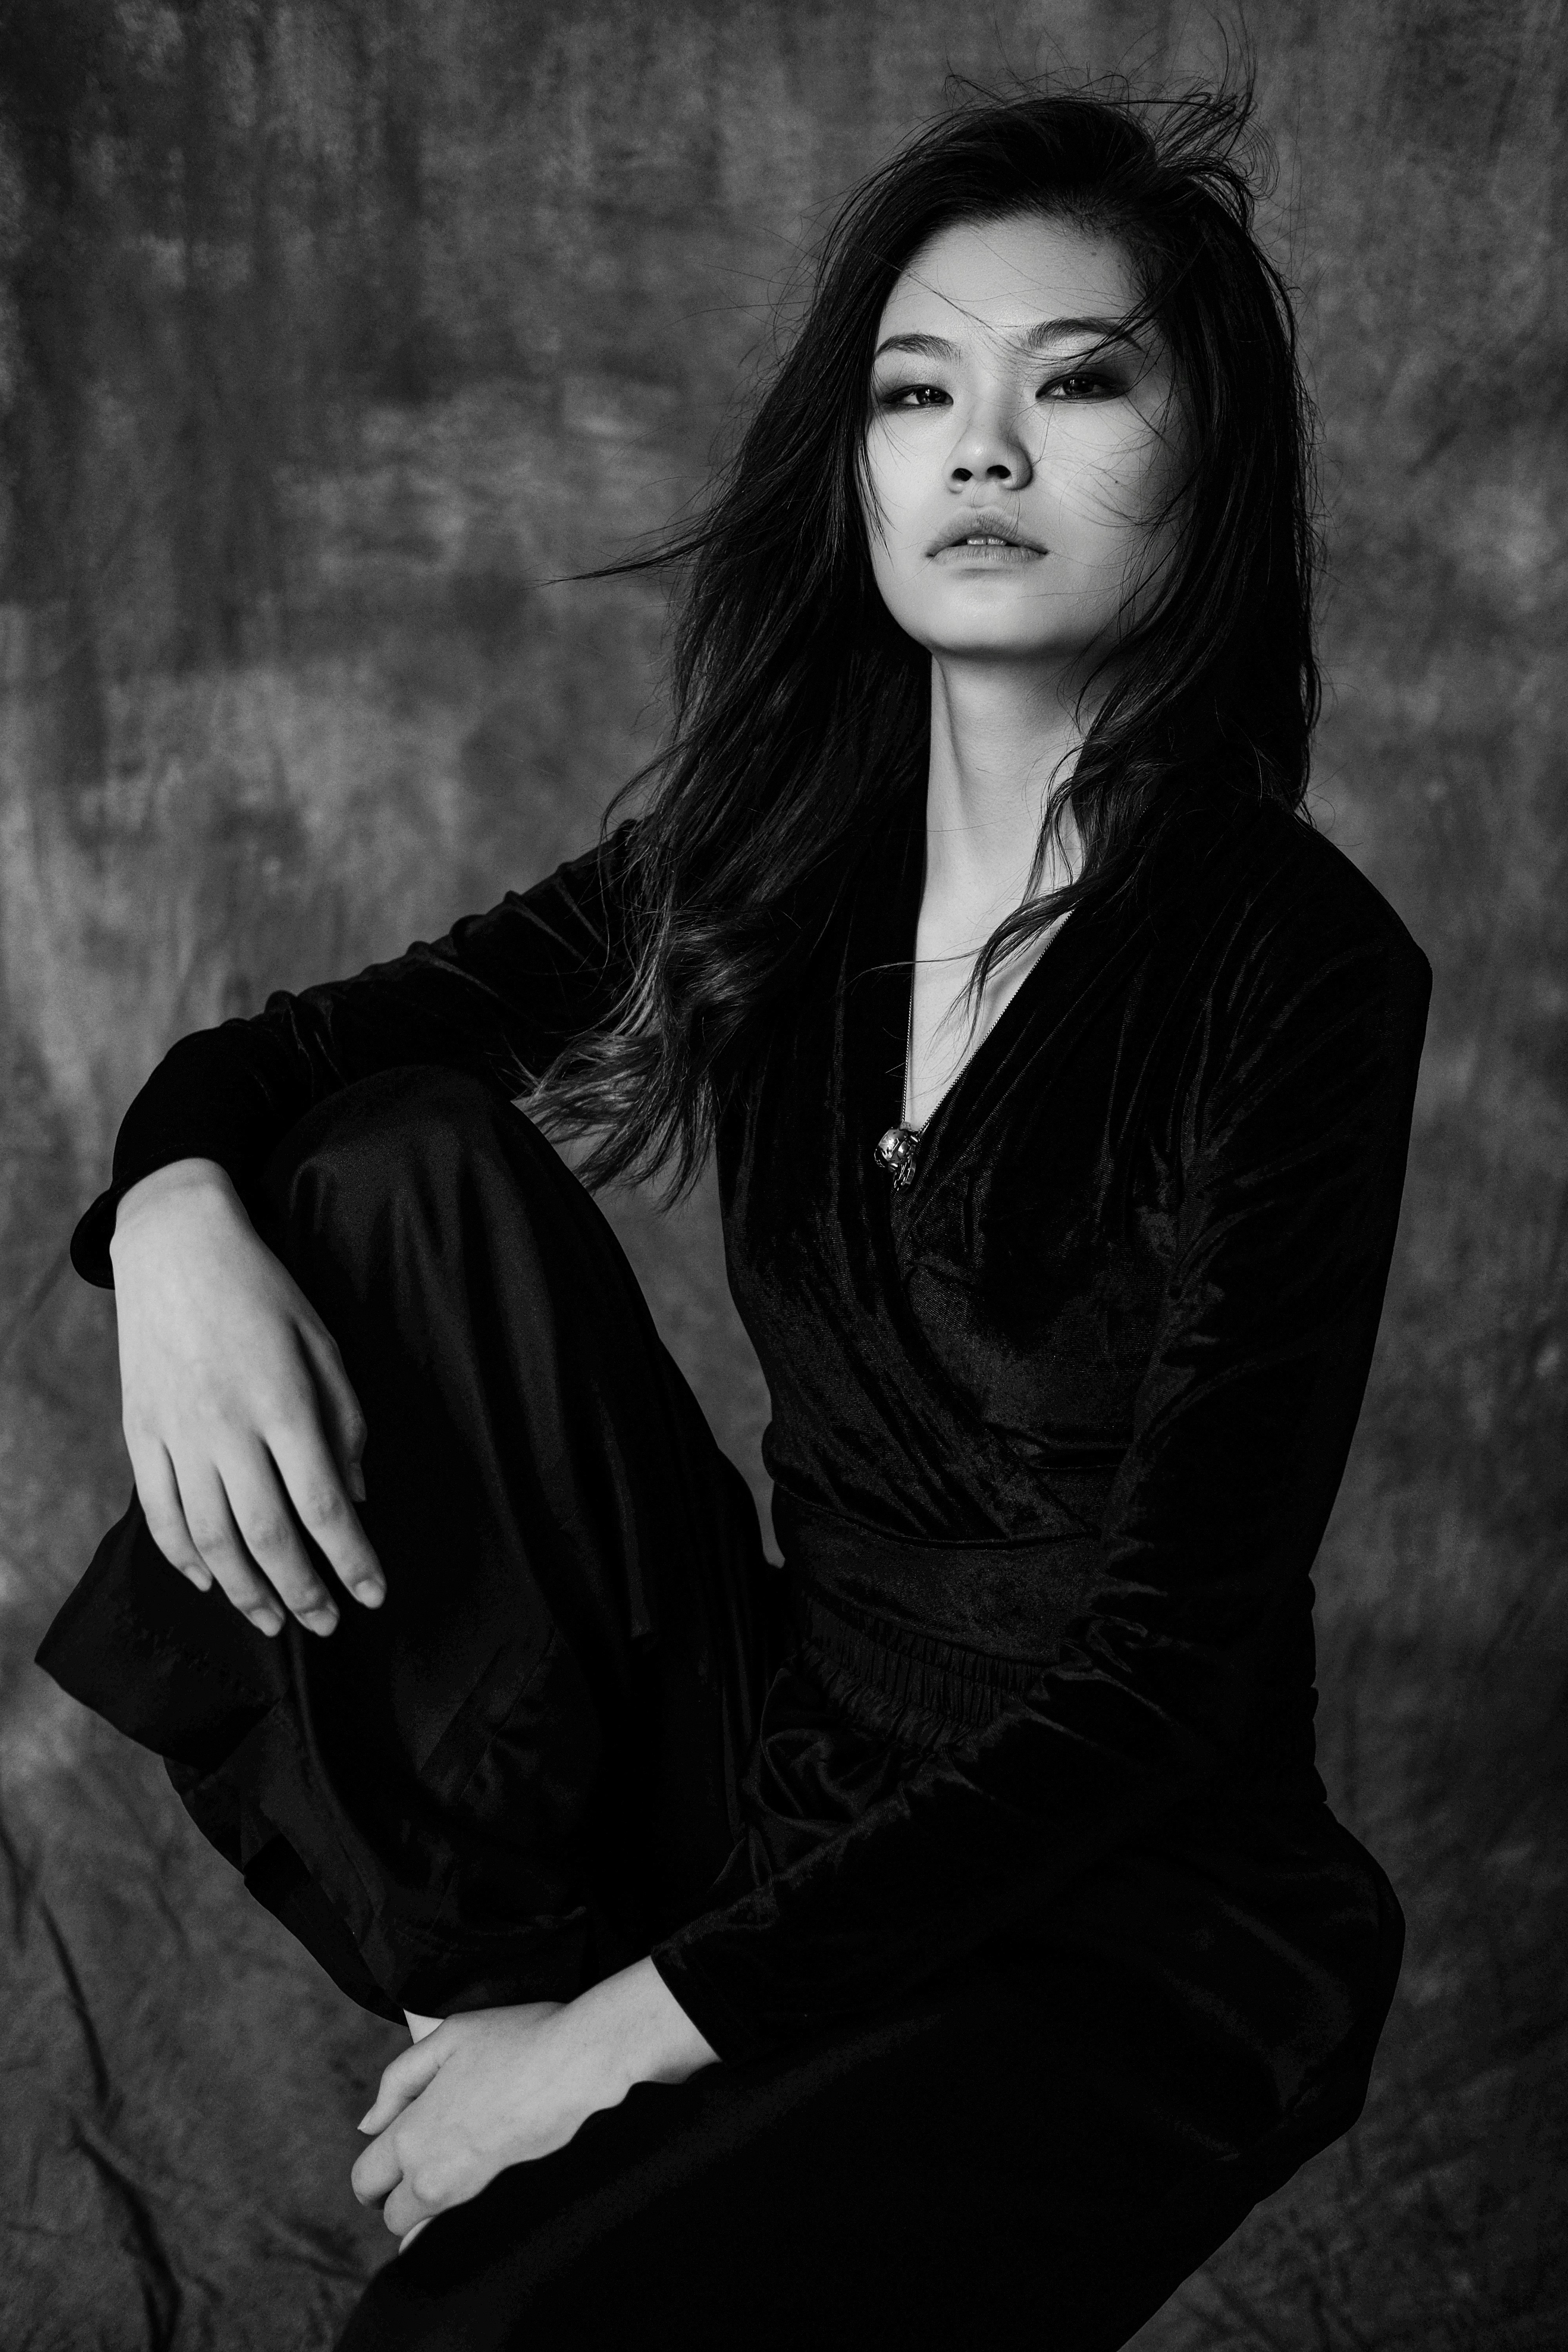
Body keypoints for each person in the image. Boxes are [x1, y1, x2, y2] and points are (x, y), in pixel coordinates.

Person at [38, 78, 1430, 2352]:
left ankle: (568, 2041)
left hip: (1122, 1897)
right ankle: (510, 1972)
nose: (980, 450)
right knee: (381, 1157)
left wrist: (602, 2054)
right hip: (779, 1772)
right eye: (918, 393)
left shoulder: (1293, 967)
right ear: (859, 468)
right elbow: (283, 1069)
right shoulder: (782, 859)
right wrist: (171, 1210)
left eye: (1076, 381)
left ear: (1209, 466)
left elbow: (1171, 1671)